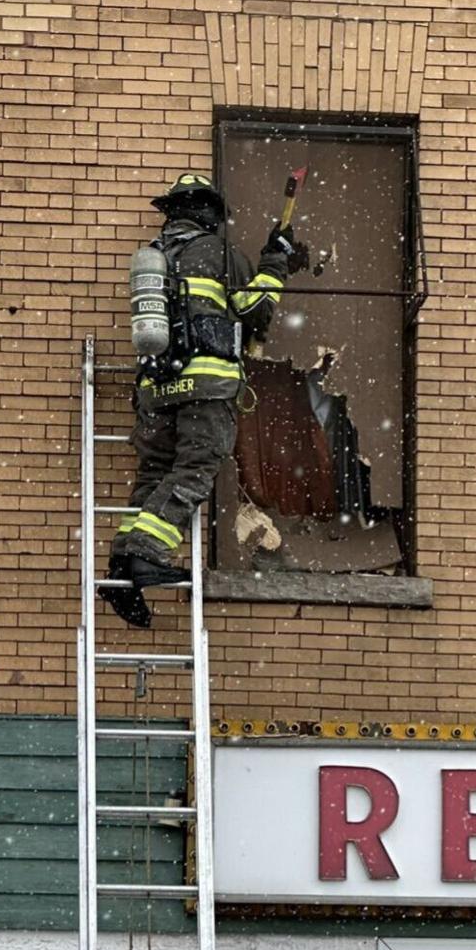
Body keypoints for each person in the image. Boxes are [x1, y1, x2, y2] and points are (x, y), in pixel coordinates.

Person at [106, 171, 307, 628]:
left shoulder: (154, 258)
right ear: (209, 215)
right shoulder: (216, 252)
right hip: (206, 387)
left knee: (156, 473)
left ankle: (121, 569)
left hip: (156, 391)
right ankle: (145, 553)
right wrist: (274, 261)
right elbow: (256, 312)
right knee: (195, 468)